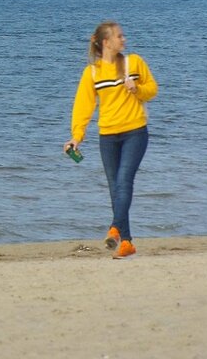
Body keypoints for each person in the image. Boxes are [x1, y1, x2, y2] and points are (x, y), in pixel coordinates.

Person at [64, 21, 158, 259]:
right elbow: (83, 106)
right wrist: (77, 136)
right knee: (114, 188)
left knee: (124, 181)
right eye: (119, 36)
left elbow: (153, 90)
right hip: (107, 136)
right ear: (106, 42)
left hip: (135, 132)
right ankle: (126, 242)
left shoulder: (133, 63)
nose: (123, 39)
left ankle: (115, 228)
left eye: (123, 35)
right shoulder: (92, 72)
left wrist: (136, 88)